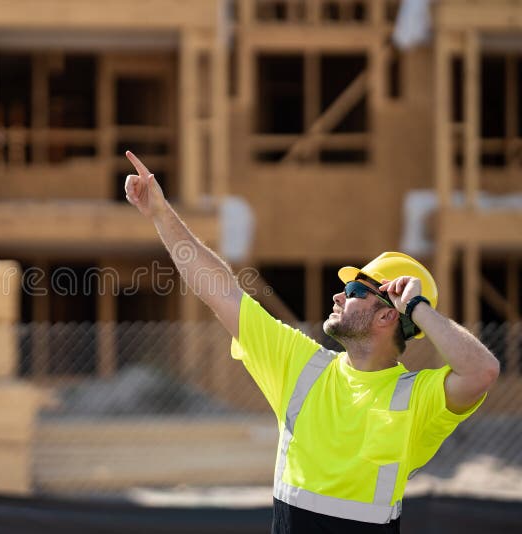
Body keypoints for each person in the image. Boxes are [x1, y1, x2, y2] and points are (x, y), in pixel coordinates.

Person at [123, 150, 500, 533]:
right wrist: (160, 214)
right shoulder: (301, 365)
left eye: (353, 289)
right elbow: (221, 290)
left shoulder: (418, 398)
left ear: (389, 314)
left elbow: (482, 371)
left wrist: (417, 307)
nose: (337, 296)